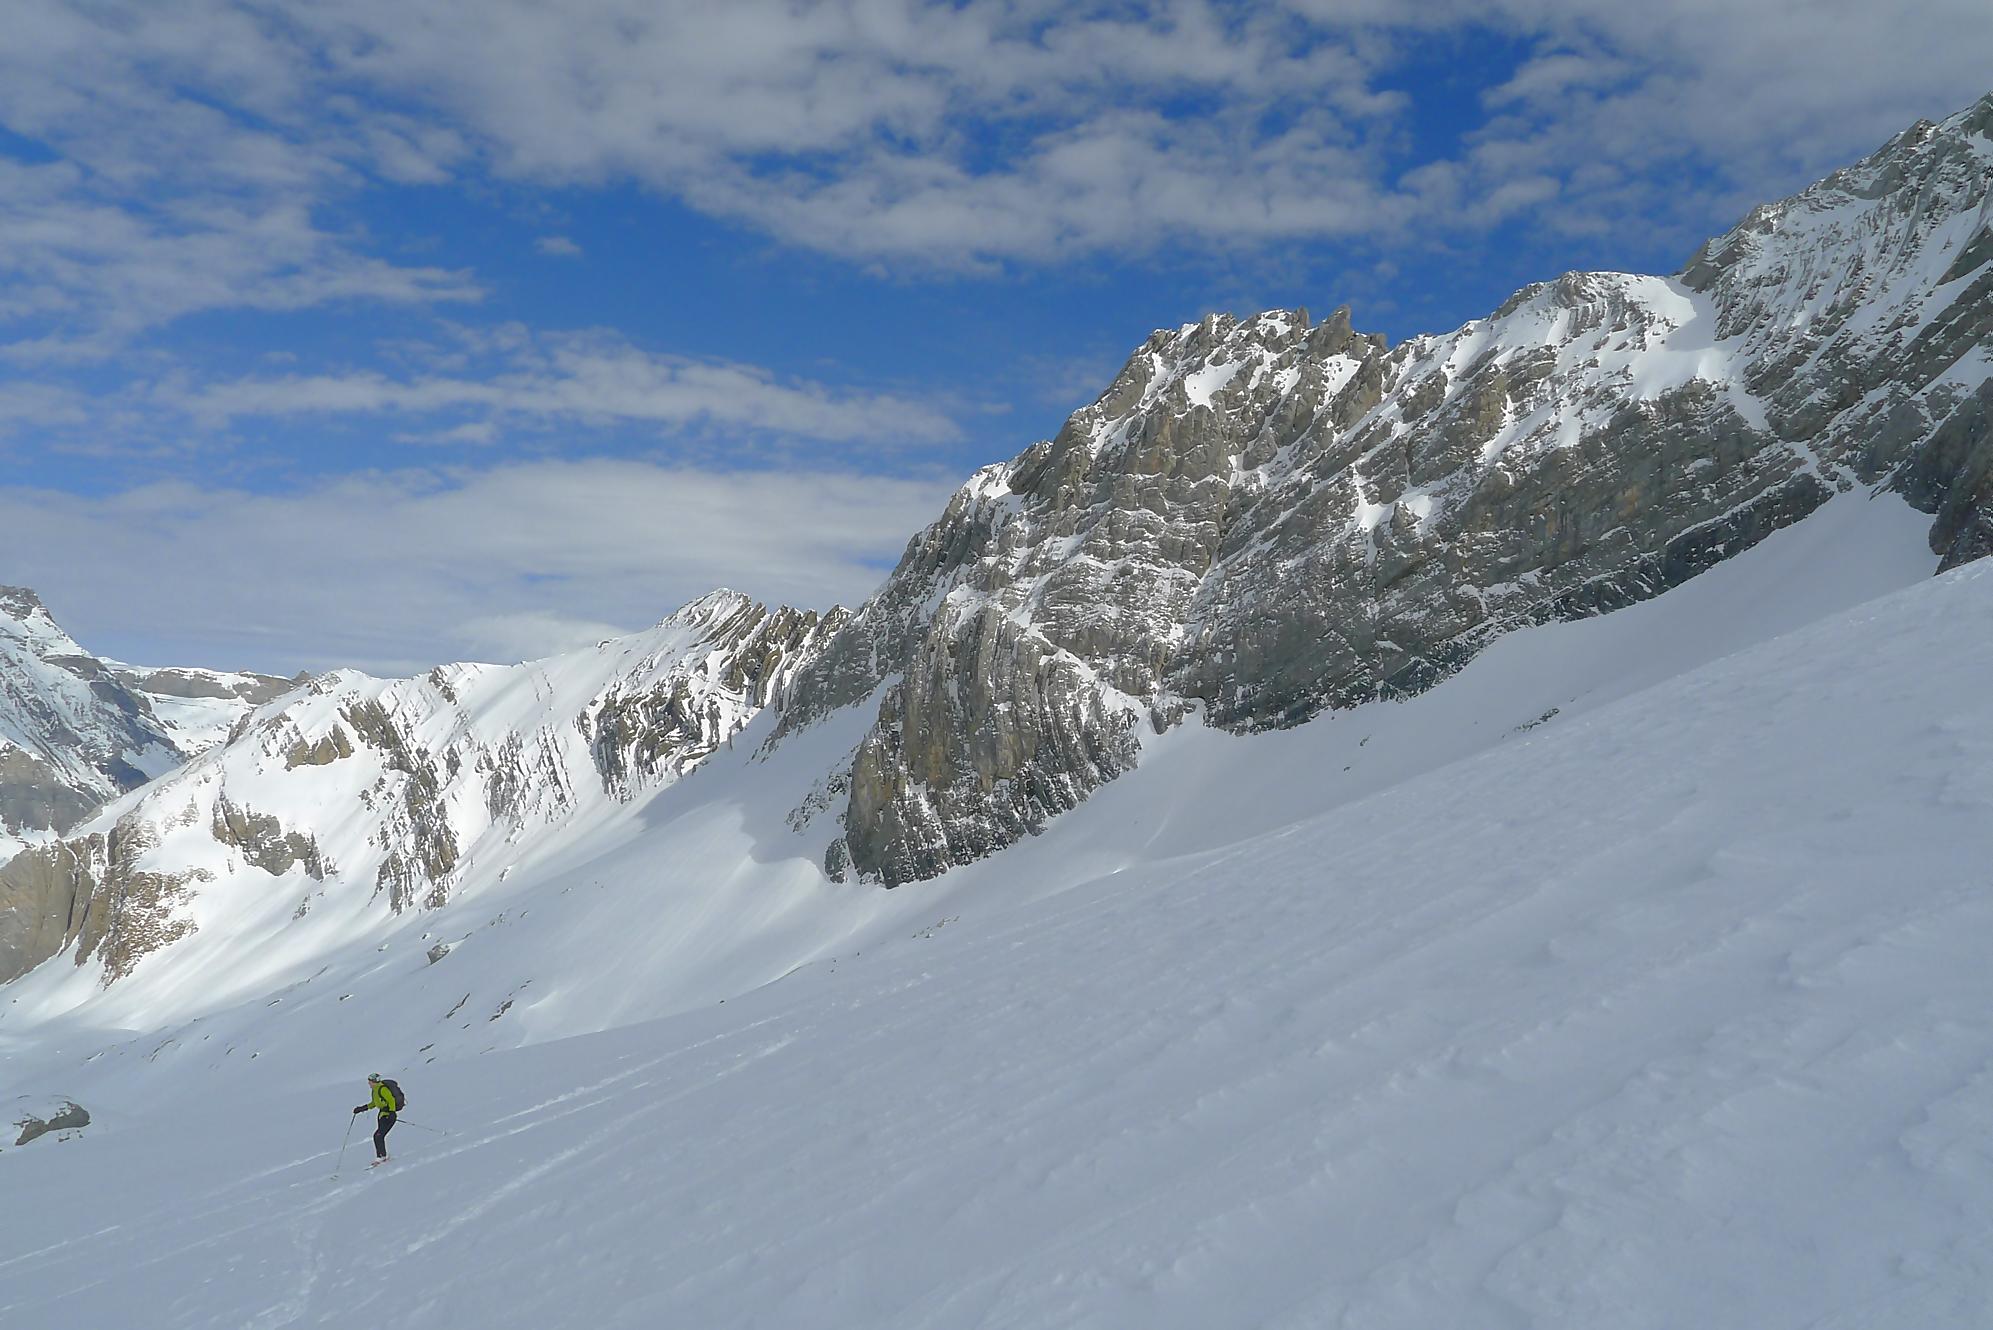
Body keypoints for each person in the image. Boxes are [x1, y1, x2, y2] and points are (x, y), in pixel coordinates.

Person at [352, 1073, 398, 1164]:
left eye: (370, 1081)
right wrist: (362, 1108)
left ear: (374, 1081)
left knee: (378, 1136)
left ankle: (381, 1157)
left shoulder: (382, 1089)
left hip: (388, 1115)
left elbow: (391, 1100)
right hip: (382, 1116)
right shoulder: (375, 1090)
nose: (369, 1083)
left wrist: (392, 1113)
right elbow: (374, 1103)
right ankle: (382, 1156)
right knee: (379, 1136)